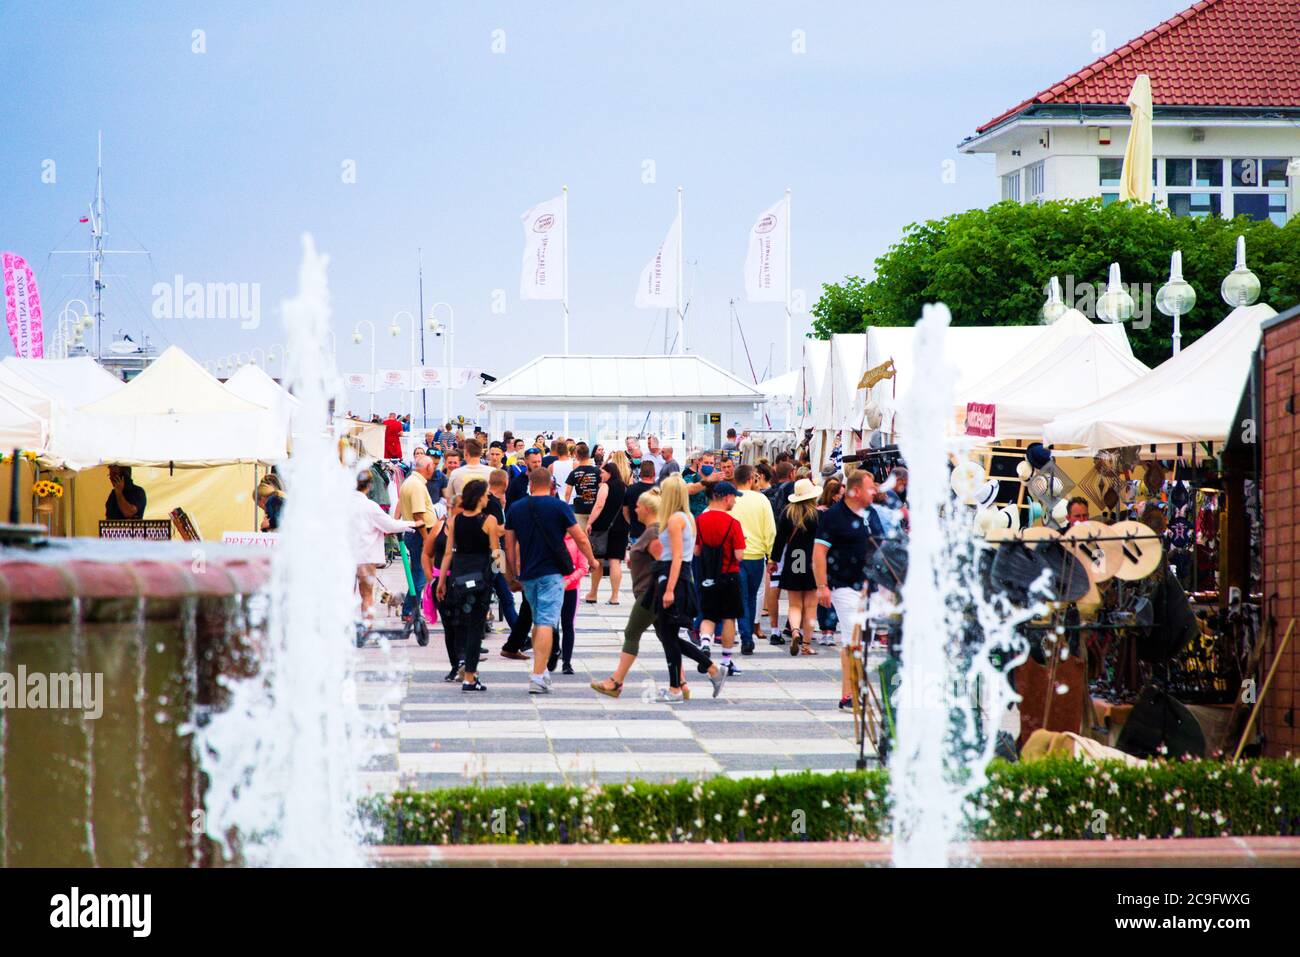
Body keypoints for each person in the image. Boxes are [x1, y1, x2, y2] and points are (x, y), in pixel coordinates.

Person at [503, 468, 597, 695]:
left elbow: (509, 546)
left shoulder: (516, 508)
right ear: (551, 486)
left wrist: (512, 576)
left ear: (531, 485)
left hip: (528, 574)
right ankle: (536, 677)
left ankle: (542, 669)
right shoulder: (560, 507)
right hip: (553, 574)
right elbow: (580, 537)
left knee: (538, 621)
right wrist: (592, 561)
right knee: (546, 622)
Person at [647, 476, 727, 703]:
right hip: (679, 577)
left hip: (674, 579)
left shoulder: (675, 520)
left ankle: (677, 687)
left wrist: (669, 589)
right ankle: (709, 670)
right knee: (668, 635)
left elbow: (677, 557)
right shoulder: (687, 517)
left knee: (668, 636)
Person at [813, 470, 882, 709]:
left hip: (869, 586)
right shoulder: (834, 516)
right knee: (855, 638)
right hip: (843, 586)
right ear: (855, 490)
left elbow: (879, 545)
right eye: (870, 487)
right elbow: (819, 552)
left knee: (863, 641)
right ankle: (853, 692)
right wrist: (822, 585)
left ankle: (849, 692)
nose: (875, 491)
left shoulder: (871, 514)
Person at [591, 488, 662, 698]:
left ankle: (616, 681)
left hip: (650, 593)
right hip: (649, 591)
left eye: (638, 506)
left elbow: (663, 565)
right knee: (668, 638)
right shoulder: (650, 531)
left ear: (648, 509)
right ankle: (690, 679)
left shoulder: (654, 532)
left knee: (632, 633)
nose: (635, 509)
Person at [437, 479, 500, 693]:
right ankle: (470, 676)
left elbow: (448, 553)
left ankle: (462, 668)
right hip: (481, 580)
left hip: (459, 578)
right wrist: (505, 576)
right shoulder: (489, 520)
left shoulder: (455, 520)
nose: (487, 497)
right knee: (476, 629)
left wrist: (442, 581)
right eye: (485, 494)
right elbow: (495, 554)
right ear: (478, 497)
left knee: (462, 625)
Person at [695, 480, 746, 676]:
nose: (735, 501)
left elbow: (697, 551)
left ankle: (705, 643)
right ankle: (726, 661)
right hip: (729, 576)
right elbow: (739, 555)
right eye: (734, 497)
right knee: (728, 618)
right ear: (725, 497)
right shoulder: (733, 523)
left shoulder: (699, 520)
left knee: (708, 615)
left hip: (708, 576)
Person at [351, 471, 417, 622]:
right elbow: (390, 524)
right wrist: (413, 524)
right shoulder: (370, 506)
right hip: (365, 557)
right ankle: (366, 629)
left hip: (346, 556)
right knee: (366, 595)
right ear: (369, 486)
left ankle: (344, 630)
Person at [771, 478, 822, 655]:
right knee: (810, 607)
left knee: (794, 605)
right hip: (812, 561)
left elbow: (779, 539)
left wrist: (773, 560)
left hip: (794, 559)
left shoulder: (787, 513)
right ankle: (806, 645)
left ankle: (794, 631)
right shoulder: (818, 516)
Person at [728, 464, 775, 655]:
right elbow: (770, 530)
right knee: (751, 596)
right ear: (750, 479)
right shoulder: (762, 499)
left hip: (735, 556)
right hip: (756, 556)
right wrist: (772, 557)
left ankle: (746, 635)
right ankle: (747, 635)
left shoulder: (730, 500)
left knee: (741, 597)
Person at [397, 455, 439, 619]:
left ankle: (411, 609)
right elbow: (418, 515)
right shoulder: (415, 485)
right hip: (420, 535)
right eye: (433, 467)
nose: (434, 470)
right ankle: (409, 610)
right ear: (428, 467)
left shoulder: (413, 482)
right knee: (421, 575)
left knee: (418, 574)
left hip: (417, 534)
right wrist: (427, 538)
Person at [585, 460, 630, 604]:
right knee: (615, 561)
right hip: (621, 528)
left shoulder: (605, 486)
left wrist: (589, 522)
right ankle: (615, 596)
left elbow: (599, 506)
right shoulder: (624, 486)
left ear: (609, 473)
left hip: (602, 528)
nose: (600, 475)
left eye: (603, 472)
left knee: (597, 561)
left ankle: (593, 594)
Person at [549, 532, 590, 675]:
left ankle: (567, 661)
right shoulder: (552, 537)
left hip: (571, 589)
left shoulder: (578, 540)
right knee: (551, 625)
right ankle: (554, 650)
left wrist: (569, 581)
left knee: (568, 625)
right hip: (552, 587)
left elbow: (583, 567)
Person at [485, 469, 518, 632]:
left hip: (493, 555)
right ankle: (520, 634)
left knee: (505, 596)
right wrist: (512, 526)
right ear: (505, 483)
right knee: (506, 596)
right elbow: (496, 531)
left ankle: (520, 634)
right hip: (495, 555)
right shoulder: (493, 503)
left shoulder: (491, 500)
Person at [565, 442, 600, 528]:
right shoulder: (597, 471)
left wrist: (564, 508)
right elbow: (602, 488)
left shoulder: (574, 473)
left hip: (580, 509)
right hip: (594, 508)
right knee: (594, 537)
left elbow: (567, 493)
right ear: (588, 455)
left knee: (582, 537)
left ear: (576, 455)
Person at [624, 460, 657, 540]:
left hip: (636, 532)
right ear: (654, 473)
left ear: (640, 473)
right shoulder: (659, 490)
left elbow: (625, 511)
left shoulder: (631, 489)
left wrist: (632, 524)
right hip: (655, 533)